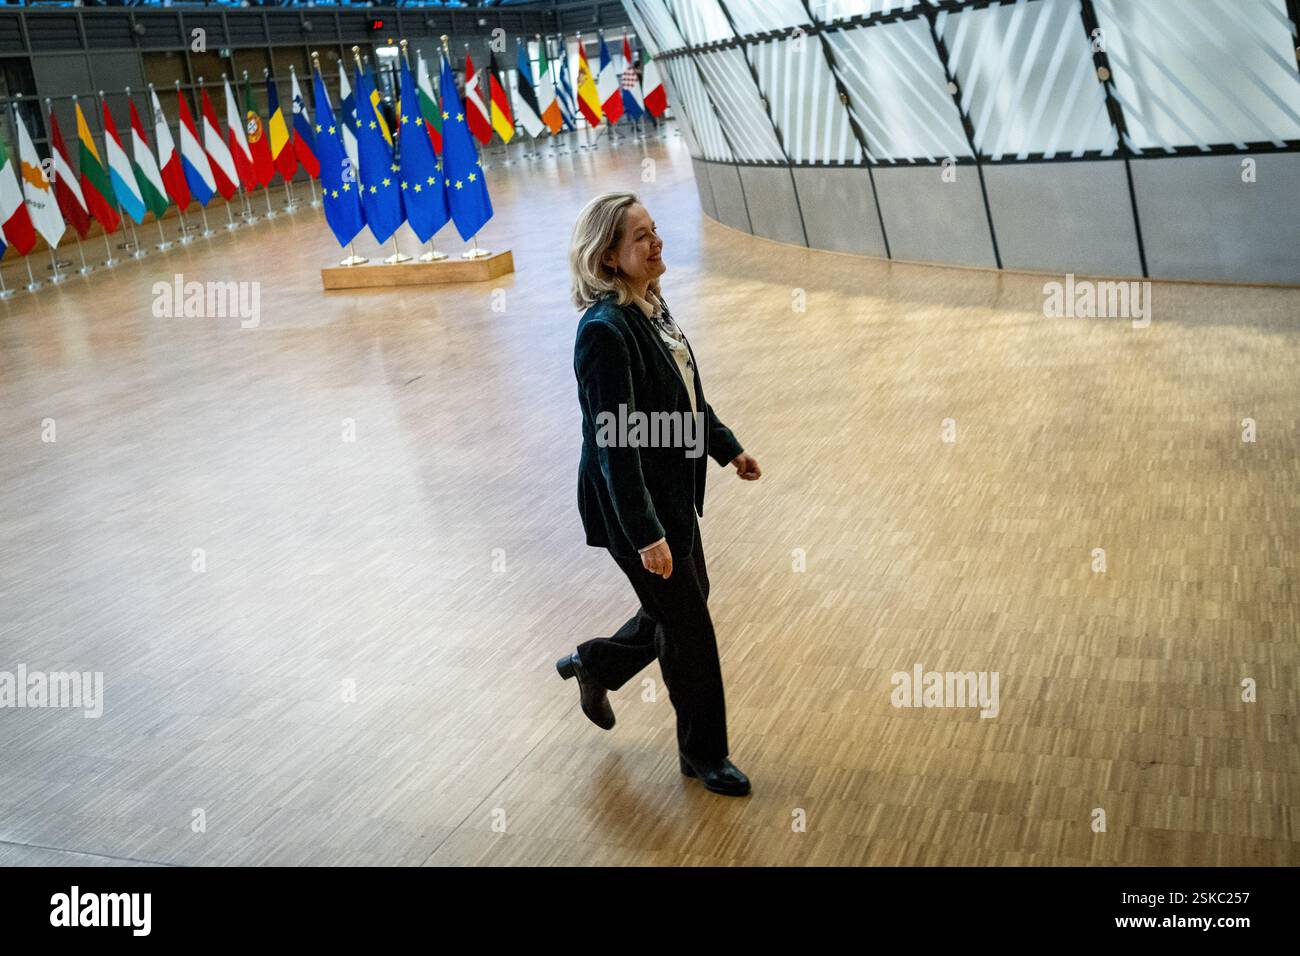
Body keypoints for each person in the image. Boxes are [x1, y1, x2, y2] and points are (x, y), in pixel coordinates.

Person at [556, 191, 762, 797]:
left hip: (670, 493)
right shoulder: (604, 332)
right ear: (610, 257)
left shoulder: (651, 305)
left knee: (685, 603)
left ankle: (596, 664)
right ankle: (705, 755)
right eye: (641, 237)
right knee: (690, 628)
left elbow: (686, 395)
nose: (656, 242)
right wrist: (647, 534)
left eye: (655, 230)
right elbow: (616, 444)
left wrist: (726, 448)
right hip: (633, 506)